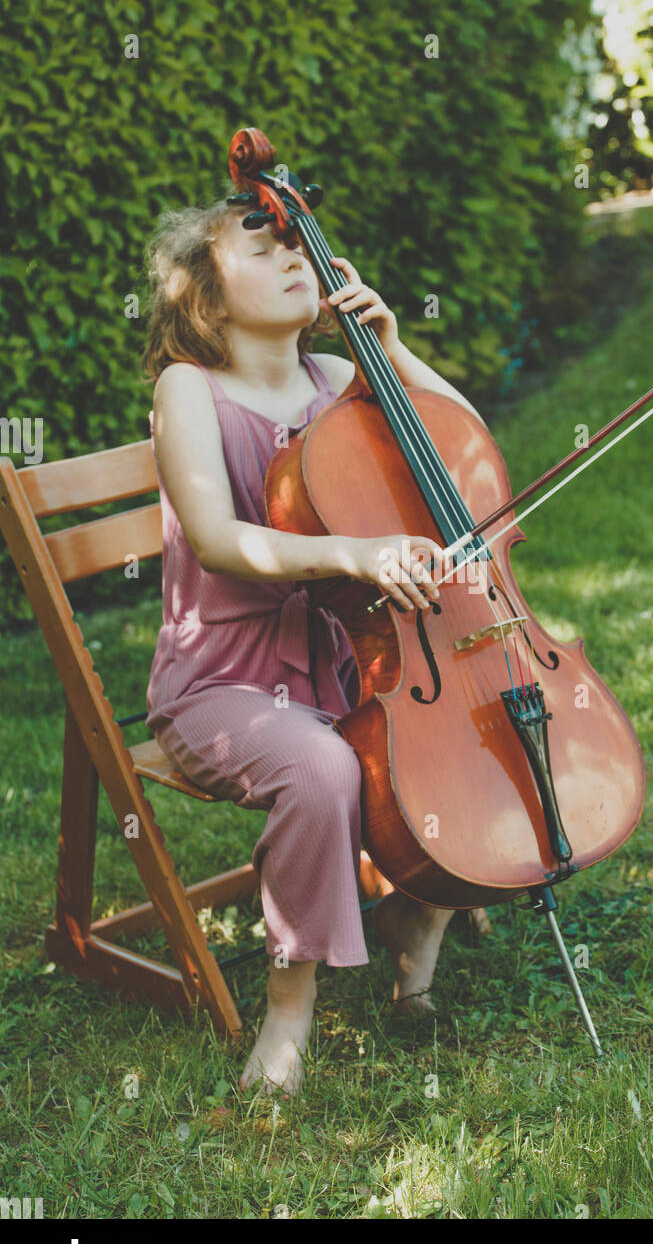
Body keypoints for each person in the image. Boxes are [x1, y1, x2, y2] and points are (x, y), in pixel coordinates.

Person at [142, 195, 486, 1097]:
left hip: (340, 662)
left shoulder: (339, 375)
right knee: (326, 769)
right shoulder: (189, 387)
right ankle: (288, 1015)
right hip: (221, 683)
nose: (296, 255)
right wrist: (350, 552)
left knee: (452, 738)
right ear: (205, 300)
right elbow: (219, 539)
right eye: (263, 246)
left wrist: (395, 351)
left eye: (299, 244)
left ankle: (421, 916)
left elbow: (468, 456)